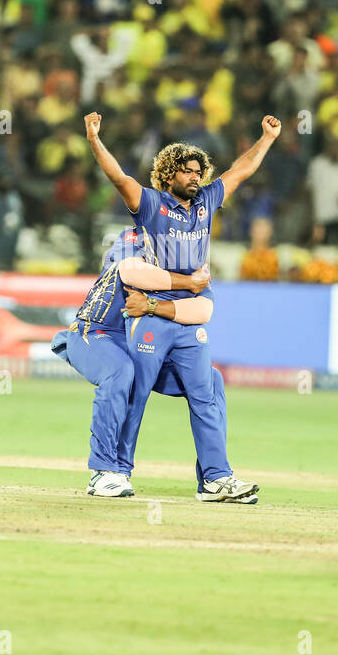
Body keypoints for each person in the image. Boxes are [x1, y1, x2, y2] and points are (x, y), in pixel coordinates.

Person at [85, 110, 282, 500]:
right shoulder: (150, 204)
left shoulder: (207, 201)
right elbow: (119, 177)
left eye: (199, 171)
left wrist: (267, 140)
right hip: (152, 311)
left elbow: (241, 171)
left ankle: (215, 479)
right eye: (188, 171)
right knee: (136, 393)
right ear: (168, 174)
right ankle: (115, 473)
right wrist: (94, 140)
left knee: (206, 393)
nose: (196, 177)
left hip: (188, 316)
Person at [50, 227, 232, 499]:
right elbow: (131, 271)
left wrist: (155, 305)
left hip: (144, 345)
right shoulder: (137, 235)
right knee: (121, 370)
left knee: (211, 379)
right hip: (95, 332)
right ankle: (104, 471)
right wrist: (188, 283)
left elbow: (203, 310)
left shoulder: (192, 252)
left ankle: (213, 479)